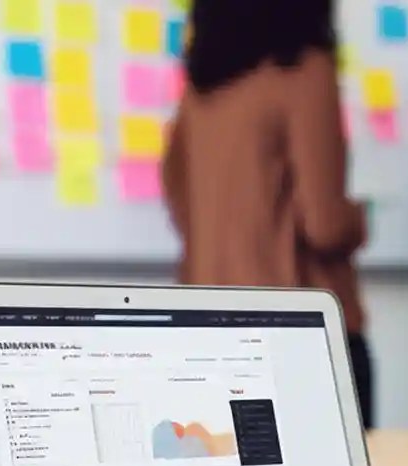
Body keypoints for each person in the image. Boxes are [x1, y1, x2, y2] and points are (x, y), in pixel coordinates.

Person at [161, 0, 376, 429]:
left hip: (209, 331)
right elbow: (325, 224)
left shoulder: (202, 87)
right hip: (301, 331)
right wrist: (360, 218)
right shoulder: (305, 70)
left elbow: (177, 193)